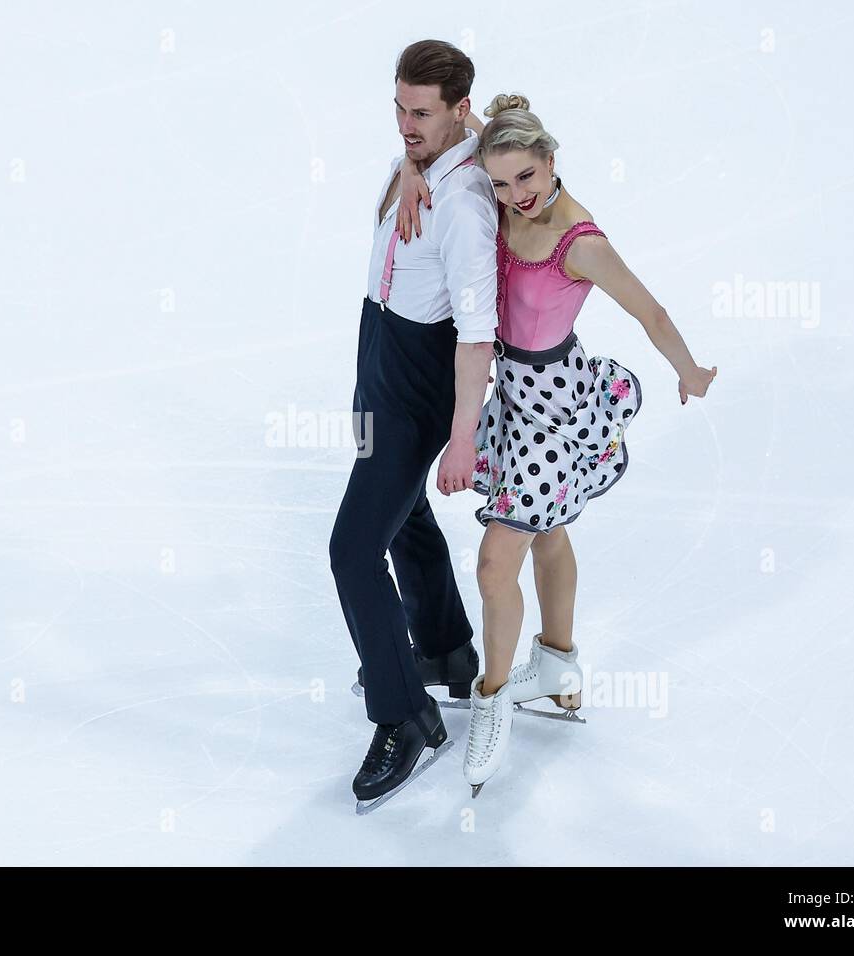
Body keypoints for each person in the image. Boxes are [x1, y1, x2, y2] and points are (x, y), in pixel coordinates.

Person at [395, 93, 718, 795]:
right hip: (512, 395)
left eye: (527, 178)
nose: (515, 196)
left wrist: (689, 371)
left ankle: (492, 697)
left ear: (551, 159)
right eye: (500, 183)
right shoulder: (506, 165)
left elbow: (652, 311)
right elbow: (466, 133)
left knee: (494, 564)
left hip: (556, 410)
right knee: (548, 533)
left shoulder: (582, 243)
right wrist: (415, 169)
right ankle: (558, 663)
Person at [329, 40, 497, 810]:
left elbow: (476, 333)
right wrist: (411, 161)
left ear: (461, 110)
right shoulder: (423, 162)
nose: (405, 124)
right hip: (377, 356)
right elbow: (426, 150)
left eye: (421, 113)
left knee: (352, 550)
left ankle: (405, 715)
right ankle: (444, 650)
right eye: (399, 108)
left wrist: (462, 435)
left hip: (416, 384)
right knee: (404, 516)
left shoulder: (464, 206)